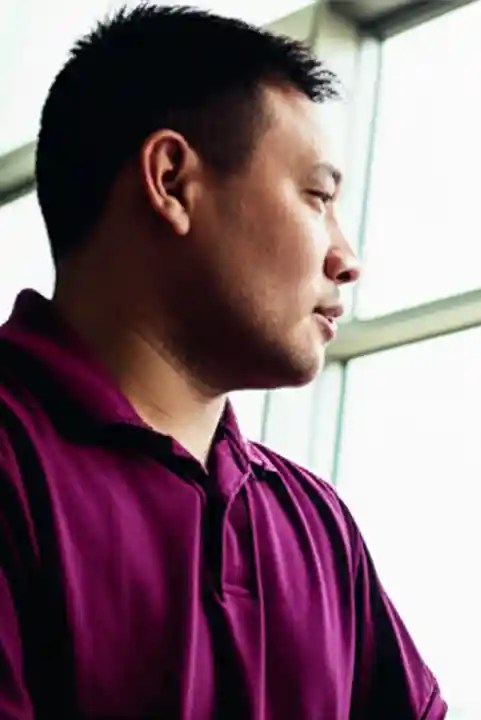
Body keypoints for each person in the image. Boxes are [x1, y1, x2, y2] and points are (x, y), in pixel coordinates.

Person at [0, 5, 445, 718]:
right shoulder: (14, 465)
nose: (347, 258)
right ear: (172, 180)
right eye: (318, 198)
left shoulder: (315, 525)